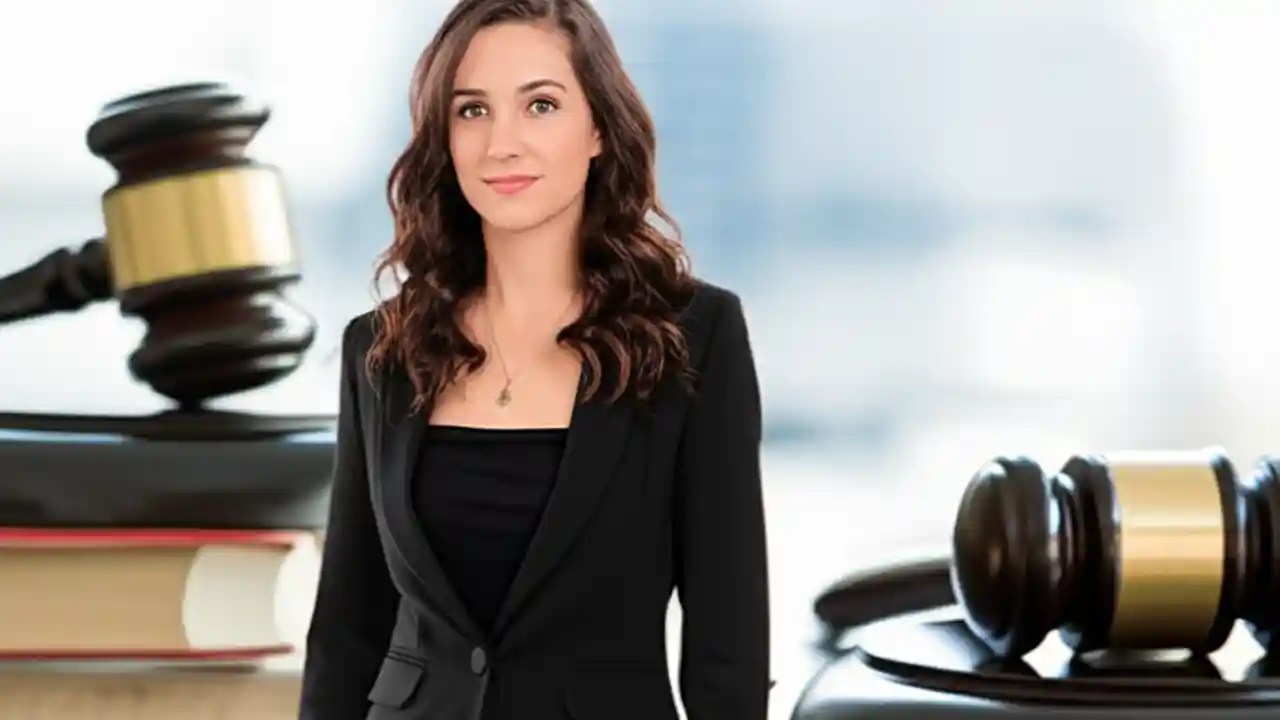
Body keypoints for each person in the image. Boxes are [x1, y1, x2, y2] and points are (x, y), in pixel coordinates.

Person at [298, 0, 769, 718]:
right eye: (472, 111)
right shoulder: (384, 347)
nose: (502, 144)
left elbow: (726, 644)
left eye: (540, 105)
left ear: (599, 129)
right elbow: (347, 628)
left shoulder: (694, 337)